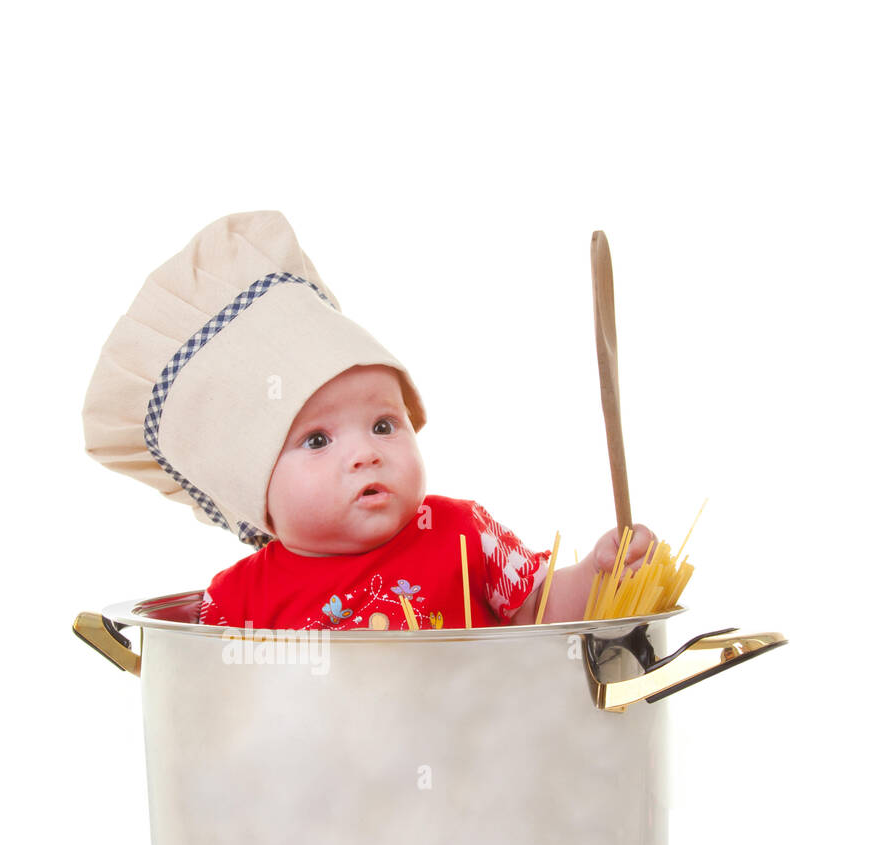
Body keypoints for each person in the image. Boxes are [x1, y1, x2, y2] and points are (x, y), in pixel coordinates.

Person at [82, 210, 652, 630]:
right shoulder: (238, 601)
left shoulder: (461, 534)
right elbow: (221, 710)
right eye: (317, 439)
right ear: (255, 490)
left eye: (384, 425)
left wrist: (600, 576)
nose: (365, 453)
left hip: (473, 780)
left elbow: (543, 616)